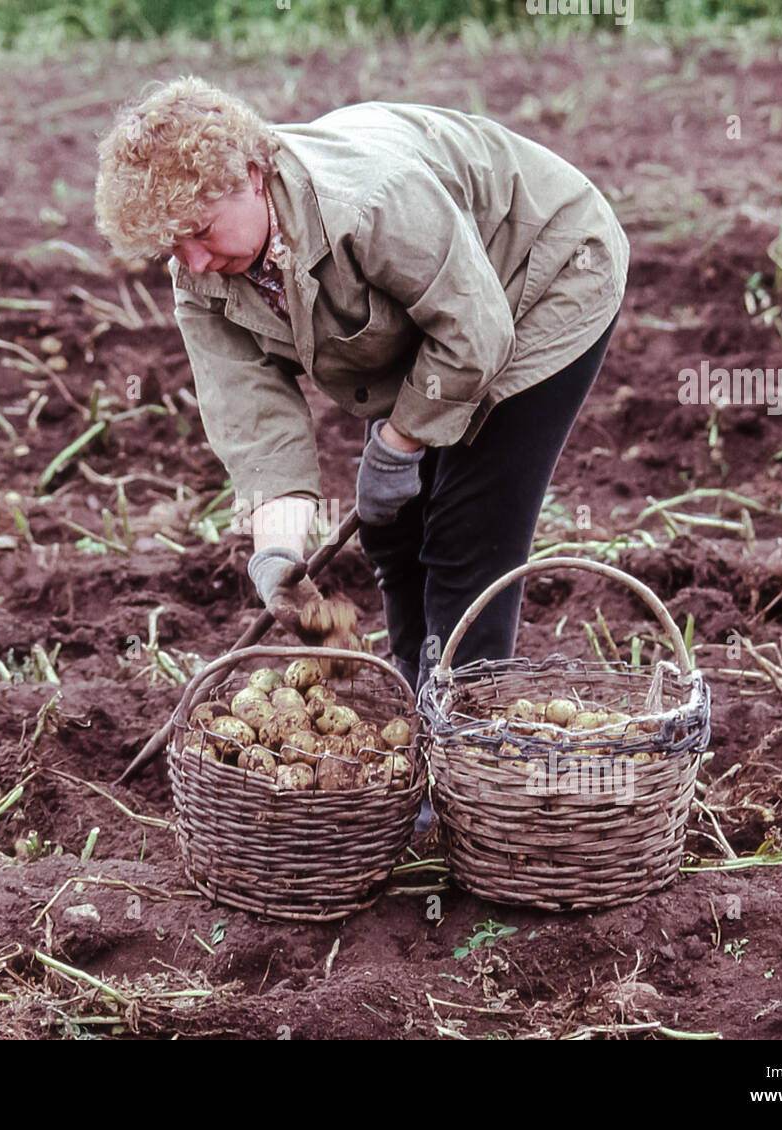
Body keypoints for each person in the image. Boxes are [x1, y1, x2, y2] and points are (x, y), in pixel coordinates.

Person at [95, 76, 628, 696]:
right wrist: (277, 555)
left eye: (202, 231)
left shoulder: (367, 203)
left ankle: (463, 737)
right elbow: (255, 420)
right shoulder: (203, 276)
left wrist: (398, 444)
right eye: (172, 246)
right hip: (435, 316)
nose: (195, 262)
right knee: (391, 525)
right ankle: (417, 701)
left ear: (250, 174)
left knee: (466, 534)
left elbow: (474, 334)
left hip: (540, 276)